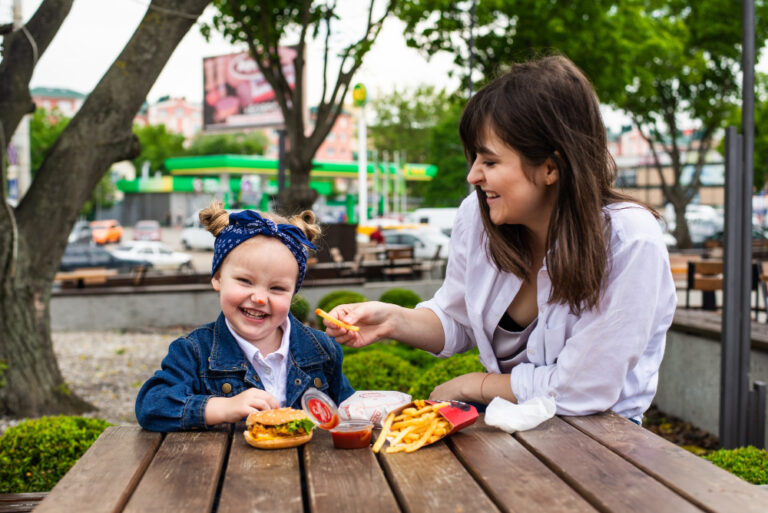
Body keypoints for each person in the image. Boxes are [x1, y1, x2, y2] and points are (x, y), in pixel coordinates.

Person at [324, 55, 676, 424]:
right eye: (475, 158)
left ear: (551, 167)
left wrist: (477, 385)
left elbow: (584, 389)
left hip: (600, 443)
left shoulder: (630, 241)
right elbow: (457, 319)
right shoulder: (476, 217)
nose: (473, 175)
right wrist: (390, 320)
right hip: (505, 431)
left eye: (489, 162)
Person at [136, 201, 354, 431]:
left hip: (311, 466)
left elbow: (348, 411)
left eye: (277, 288)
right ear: (218, 277)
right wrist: (222, 408)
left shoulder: (322, 350)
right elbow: (151, 406)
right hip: (227, 466)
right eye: (245, 281)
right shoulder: (194, 352)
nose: (260, 298)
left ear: (293, 293)